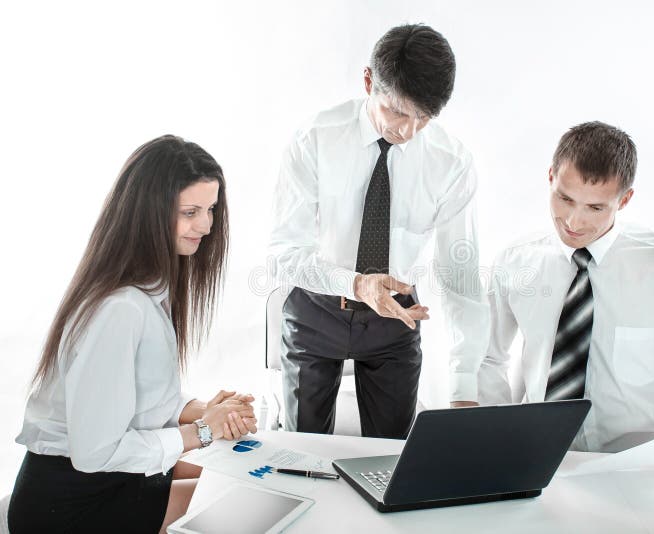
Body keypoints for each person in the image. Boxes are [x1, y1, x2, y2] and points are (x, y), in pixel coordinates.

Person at [8, 135, 258, 533]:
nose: (207, 225)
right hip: (71, 503)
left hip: (109, 478)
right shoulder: (120, 309)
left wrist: (204, 409)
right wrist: (204, 430)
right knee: (238, 500)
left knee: (243, 483)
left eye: (211, 209)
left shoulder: (149, 289)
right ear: (149, 215)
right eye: (190, 212)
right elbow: (95, 452)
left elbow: (136, 397)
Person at [268, 24, 489, 439]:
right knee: (301, 453)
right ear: (368, 82)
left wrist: (464, 388)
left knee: (393, 459)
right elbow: (284, 253)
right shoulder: (315, 138)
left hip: (396, 319)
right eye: (398, 111)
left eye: (424, 117)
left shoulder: (451, 163)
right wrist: (357, 284)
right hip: (317, 307)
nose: (408, 131)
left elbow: (460, 273)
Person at [478, 122, 654, 472]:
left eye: (596, 208)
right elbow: (487, 357)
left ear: (625, 199)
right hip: (537, 461)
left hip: (643, 466)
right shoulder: (515, 261)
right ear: (551, 176)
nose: (573, 221)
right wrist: (495, 431)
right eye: (565, 198)